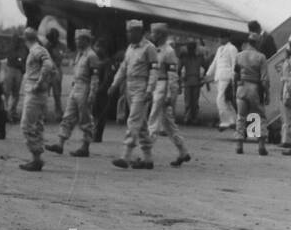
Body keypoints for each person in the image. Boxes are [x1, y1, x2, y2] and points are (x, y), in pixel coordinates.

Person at [110, 19, 158, 169]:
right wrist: (114, 84)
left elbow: (154, 71)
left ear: (138, 32)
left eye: (130, 32)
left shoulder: (149, 48)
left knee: (133, 121)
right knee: (141, 125)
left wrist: (149, 90)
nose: (128, 34)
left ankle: (126, 156)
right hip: (129, 85)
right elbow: (123, 68)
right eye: (127, 32)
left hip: (141, 87)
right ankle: (148, 159)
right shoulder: (130, 48)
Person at [46, 28, 101, 157]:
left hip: (85, 88)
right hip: (75, 87)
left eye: (79, 40)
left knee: (85, 118)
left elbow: (95, 76)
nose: (76, 42)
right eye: (76, 39)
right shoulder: (79, 54)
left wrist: (92, 93)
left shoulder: (91, 56)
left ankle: (85, 146)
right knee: (68, 117)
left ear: (86, 40)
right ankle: (60, 144)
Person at [146, 23, 190, 166]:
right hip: (157, 85)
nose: (151, 35)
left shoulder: (169, 51)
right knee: (168, 124)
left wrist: (171, 94)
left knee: (153, 120)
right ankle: (183, 151)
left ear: (160, 35)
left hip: (163, 87)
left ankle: (146, 154)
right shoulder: (154, 49)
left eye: (153, 33)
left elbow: (172, 75)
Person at [17, 26, 56, 171]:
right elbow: (51, 68)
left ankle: (36, 158)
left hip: (35, 93)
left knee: (26, 125)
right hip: (38, 93)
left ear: (25, 38)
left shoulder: (36, 50)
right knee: (37, 125)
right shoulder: (38, 50)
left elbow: (48, 65)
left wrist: (39, 82)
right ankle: (37, 158)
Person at [233, 32, 270, 156]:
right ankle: (261, 146)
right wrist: (267, 93)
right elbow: (264, 79)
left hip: (241, 87)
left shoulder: (239, 56)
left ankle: (239, 145)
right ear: (258, 43)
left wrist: (234, 90)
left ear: (248, 42)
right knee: (259, 116)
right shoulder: (261, 57)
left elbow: (235, 76)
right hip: (255, 88)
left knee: (241, 116)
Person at [205, 35, 239, 131]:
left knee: (220, 99)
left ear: (227, 38)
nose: (220, 39)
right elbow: (215, 62)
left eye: (222, 37)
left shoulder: (232, 48)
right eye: (219, 38)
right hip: (219, 77)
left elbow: (234, 63)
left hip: (227, 77)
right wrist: (208, 74)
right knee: (226, 101)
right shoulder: (219, 49)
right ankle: (233, 120)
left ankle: (225, 122)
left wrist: (233, 78)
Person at [179, 39, 205, 125]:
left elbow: (178, 69)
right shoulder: (199, 57)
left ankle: (188, 117)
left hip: (188, 81)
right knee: (194, 101)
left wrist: (180, 79)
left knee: (188, 101)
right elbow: (205, 66)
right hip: (196, 81)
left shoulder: (184, 57)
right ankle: (194, 117)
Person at [2, 36, 24, 122]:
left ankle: (12, 112)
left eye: (17, 41)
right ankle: (5, 112)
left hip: (17, 71)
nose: (16, 42)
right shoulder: (10, 48)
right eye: (15, 41)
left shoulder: (21, 49)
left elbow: (21, 60)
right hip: (10, 69)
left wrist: (22, 69)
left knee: (15, 94)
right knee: (6, 93)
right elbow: (14, 59)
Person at [45, 27, 65, 122]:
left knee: (57, 94)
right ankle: (43, 114)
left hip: (57, 69)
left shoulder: (61, 46)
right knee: (45, 93)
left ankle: (58, 114)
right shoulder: (47, 46)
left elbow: (59, 57)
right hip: (48, 70)